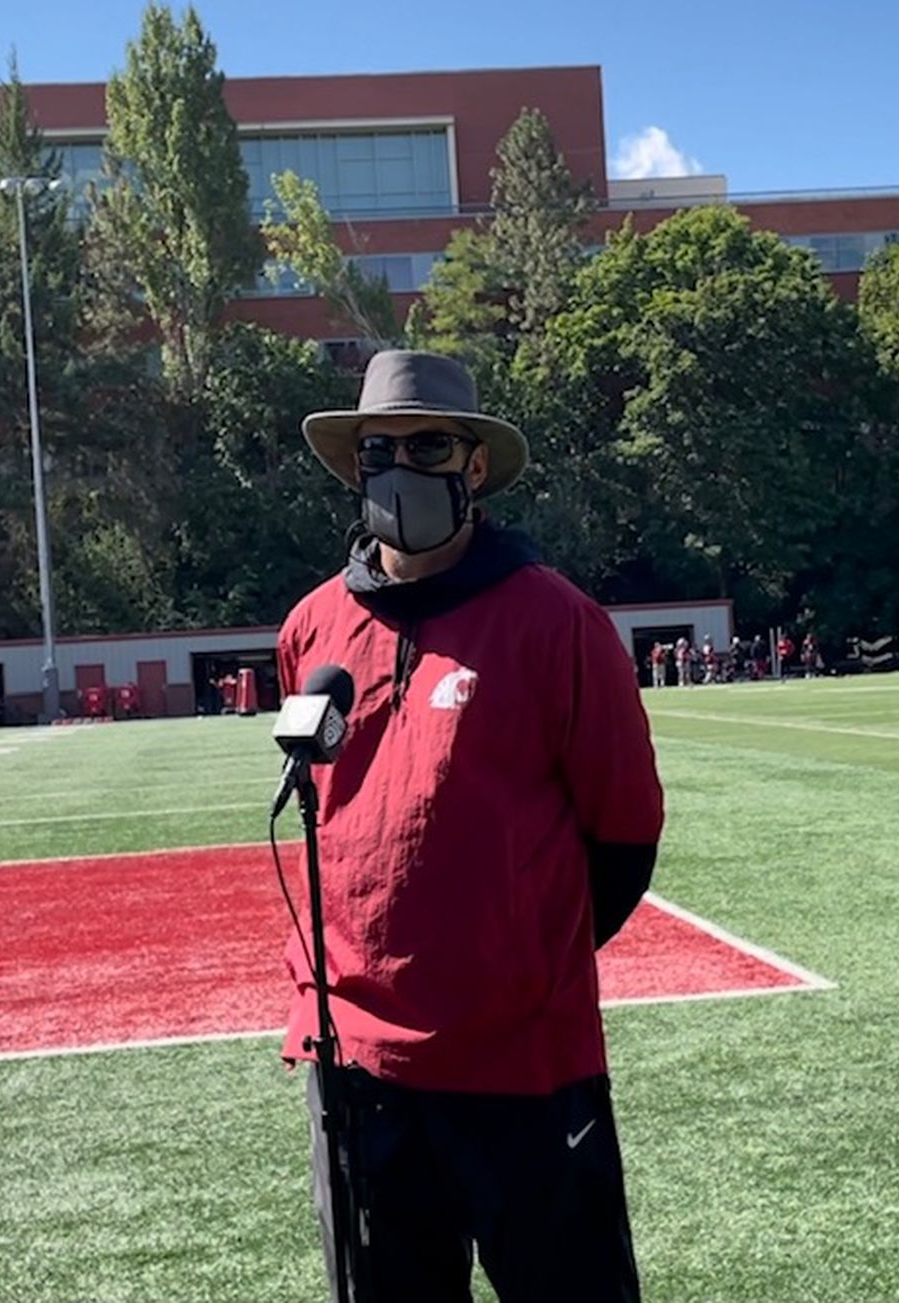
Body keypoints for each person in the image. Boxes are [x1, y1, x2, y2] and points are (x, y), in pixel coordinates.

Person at [282, 350, 663, 1299]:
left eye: (431, 444)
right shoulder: (312, 627)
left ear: (476, 465)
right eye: (380, 447)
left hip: (524, 1068)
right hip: (359, 1067)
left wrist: (514, 960)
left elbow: (624, 838)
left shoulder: (558, 623)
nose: (402, 465)